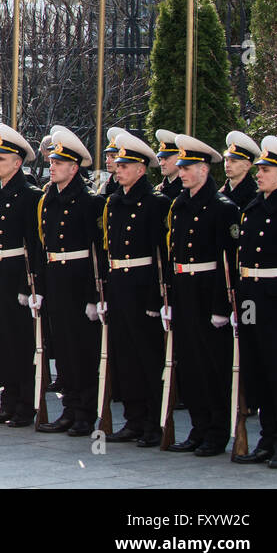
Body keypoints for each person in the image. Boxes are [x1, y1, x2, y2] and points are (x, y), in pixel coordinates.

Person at [165, 133, 236, 456]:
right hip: (184, 292)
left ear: (204, 169)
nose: (182, 172)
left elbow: (228, 262)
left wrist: (223, 305)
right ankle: (197, 426)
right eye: (180, 167)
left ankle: (217, 431)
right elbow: (171, 254)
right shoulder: (179, 205)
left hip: (209, 294)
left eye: (188, 167)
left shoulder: (223, 209)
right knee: (190, 364)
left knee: (212, 366)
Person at [232, 136, 277, 468]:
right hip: (252, 301)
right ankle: (267, 437)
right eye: (258, 169)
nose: (259, 174)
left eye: (266, 169)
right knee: (258, 369)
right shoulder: (253, 208)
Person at [102, 130, 170, 448]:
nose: (118, 169)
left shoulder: (156, 204)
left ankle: (153, 423)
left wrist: (158, 297)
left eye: (125, 165)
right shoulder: (114, 202)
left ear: (141, 169)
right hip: (119, 286)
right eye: (118, 164)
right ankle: (133, 418)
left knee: (147, 357)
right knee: (125, 357)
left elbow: (162, 255)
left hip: (143, 288)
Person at [36, 127, 105, 435]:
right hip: (56, 281)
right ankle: (68, 407)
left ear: (74, 168)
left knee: (82, 350)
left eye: (58, 162)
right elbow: (42, 247)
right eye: (51, 161)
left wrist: (94, 295)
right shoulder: (49, 199)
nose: (51, 166)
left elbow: (96, 252)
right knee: (61, 349)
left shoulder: (89, 202)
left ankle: (85, 412)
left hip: (79, 283)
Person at [0, 123, 43, 428]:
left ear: (18, 162)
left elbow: (35, 245)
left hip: (15, 274)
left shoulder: (29, 196)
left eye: (2, 158)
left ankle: (24, 406)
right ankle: (7, 402)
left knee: (19, 343)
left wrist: (28, 286)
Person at [220, 131, 260, 211]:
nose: (227, 165)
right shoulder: (219, 195)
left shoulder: (257, 197)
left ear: (247, 165)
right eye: (226, 160)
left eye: (233, 161)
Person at [154, 129, 183, 200]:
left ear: (179, 158)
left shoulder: (187, 191)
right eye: (160, 159)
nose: (161, 163)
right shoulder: (157, 190)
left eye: (166, 158)